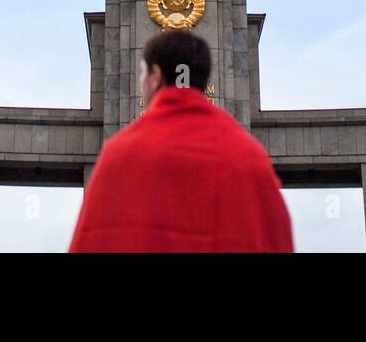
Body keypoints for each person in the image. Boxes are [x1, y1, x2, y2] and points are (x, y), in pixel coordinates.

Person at [68, 30, 294, 253]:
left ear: (155, 77)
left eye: (141, 74)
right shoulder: (251, 157)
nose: (141, 83)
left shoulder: (120, 154)